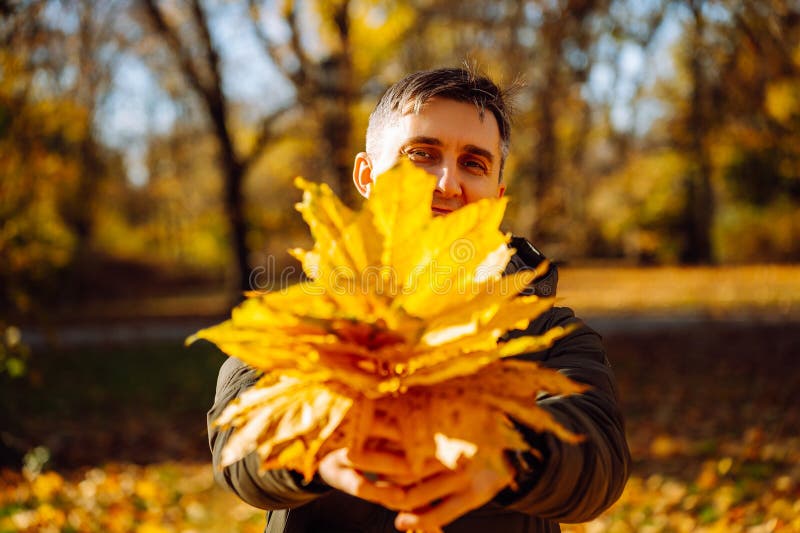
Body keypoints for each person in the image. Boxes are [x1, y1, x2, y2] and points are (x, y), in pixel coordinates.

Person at [208, 67, 630, 533]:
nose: (447, 184)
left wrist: (502, 456)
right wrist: (321, 447)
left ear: (497, 195)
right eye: (421, 154)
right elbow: (237, 438)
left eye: (474, 163)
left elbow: (598, 456)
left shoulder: (549, 334)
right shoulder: (304, 318)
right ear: (366, 175)